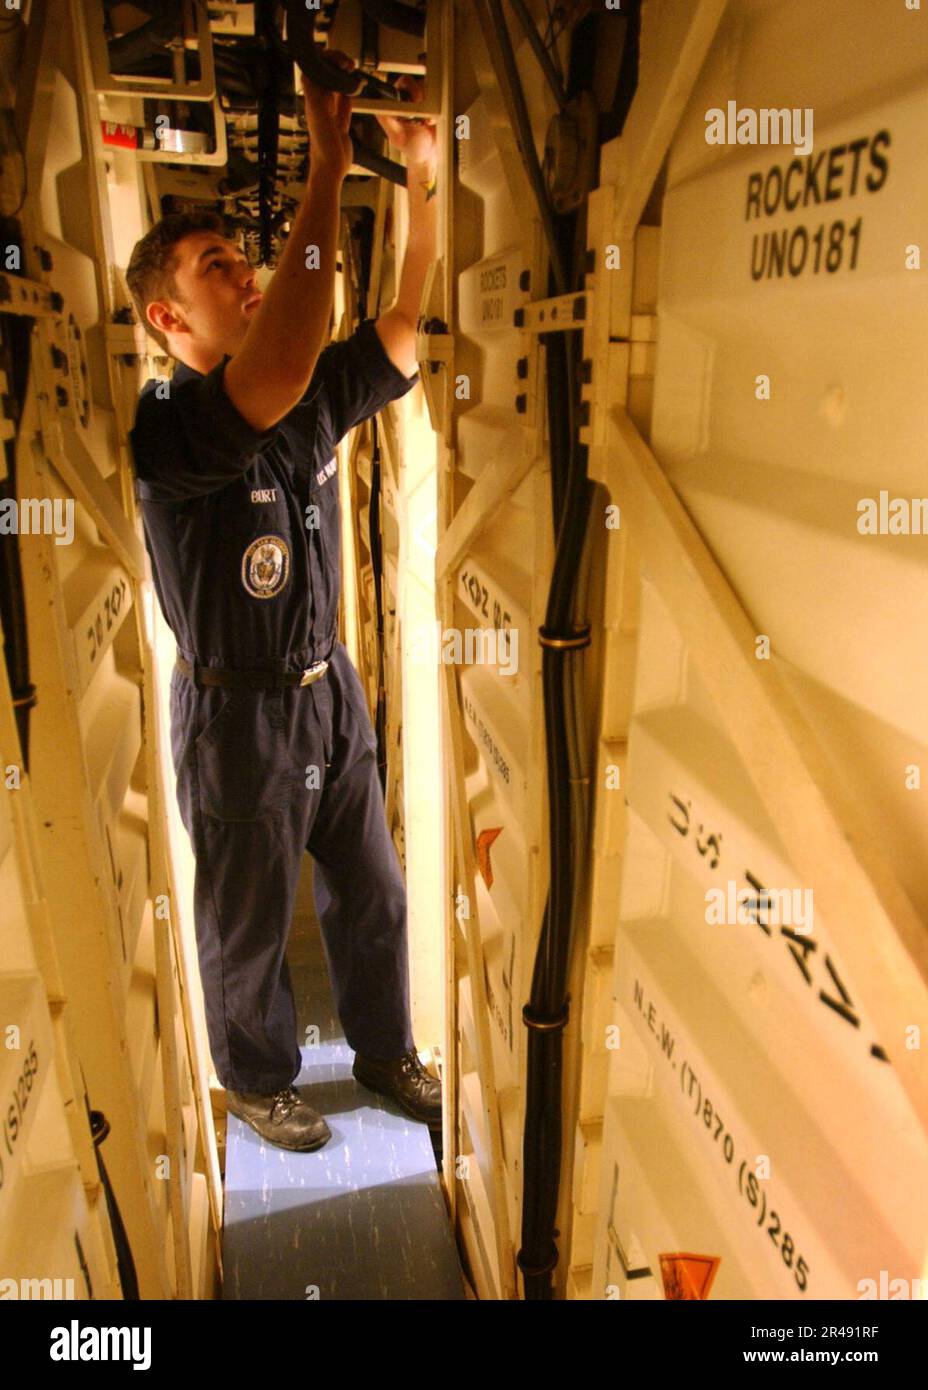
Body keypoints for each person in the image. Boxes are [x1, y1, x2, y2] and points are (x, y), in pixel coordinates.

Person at [126, 50, 440, 1152]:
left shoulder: (300, 400)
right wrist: (325, 163)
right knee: (248, 917)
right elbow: (278, 364)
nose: (247, 273)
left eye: (241, 258)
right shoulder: (173, 430)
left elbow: (403, 322)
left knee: (373, 890)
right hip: (238, 713)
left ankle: (385, 1050)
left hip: (325, 684)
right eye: (217, 268)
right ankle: (257, 1079)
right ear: (167, 317)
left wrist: (422, 177)